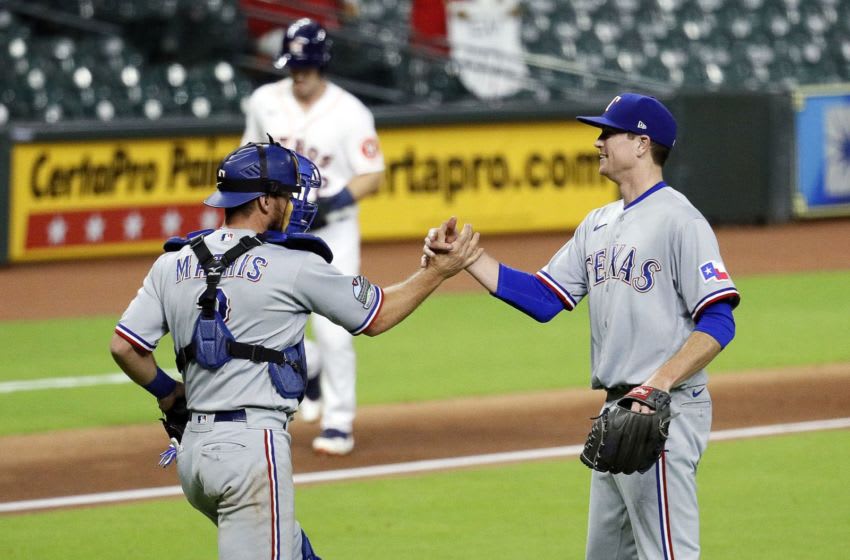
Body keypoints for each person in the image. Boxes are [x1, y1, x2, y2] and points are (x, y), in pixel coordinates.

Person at [109, 141, 480, 560]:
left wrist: (168, 391)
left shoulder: (172, 262)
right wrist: (437, 272)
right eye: (287, 195)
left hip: (193, 457)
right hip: (250, 453)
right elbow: (376, 316)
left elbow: (125, 347)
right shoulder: (293, 264)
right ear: (265, 200)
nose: (293, 204)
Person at [425, 93, 739, 559]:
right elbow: (544, 297)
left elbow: (719, 319)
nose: (597, 141)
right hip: (617, 416)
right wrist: (470, 260)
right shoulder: (598, 222)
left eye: (607, 132)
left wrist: (656, 385)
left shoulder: (681, 220)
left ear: (640, 142)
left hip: (665, 412)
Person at [241, 17, 384, 455]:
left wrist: (333, 202)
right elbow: (249, 157)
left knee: (338, 326)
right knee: (260, 313)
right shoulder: (264, 100)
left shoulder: (351, 111)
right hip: (277, 228)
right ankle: (312, 364)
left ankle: (340, 420)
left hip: (332, 235)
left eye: (305, 67)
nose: (297, 75)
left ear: (321, 65)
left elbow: (373, 174)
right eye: (293, 67)